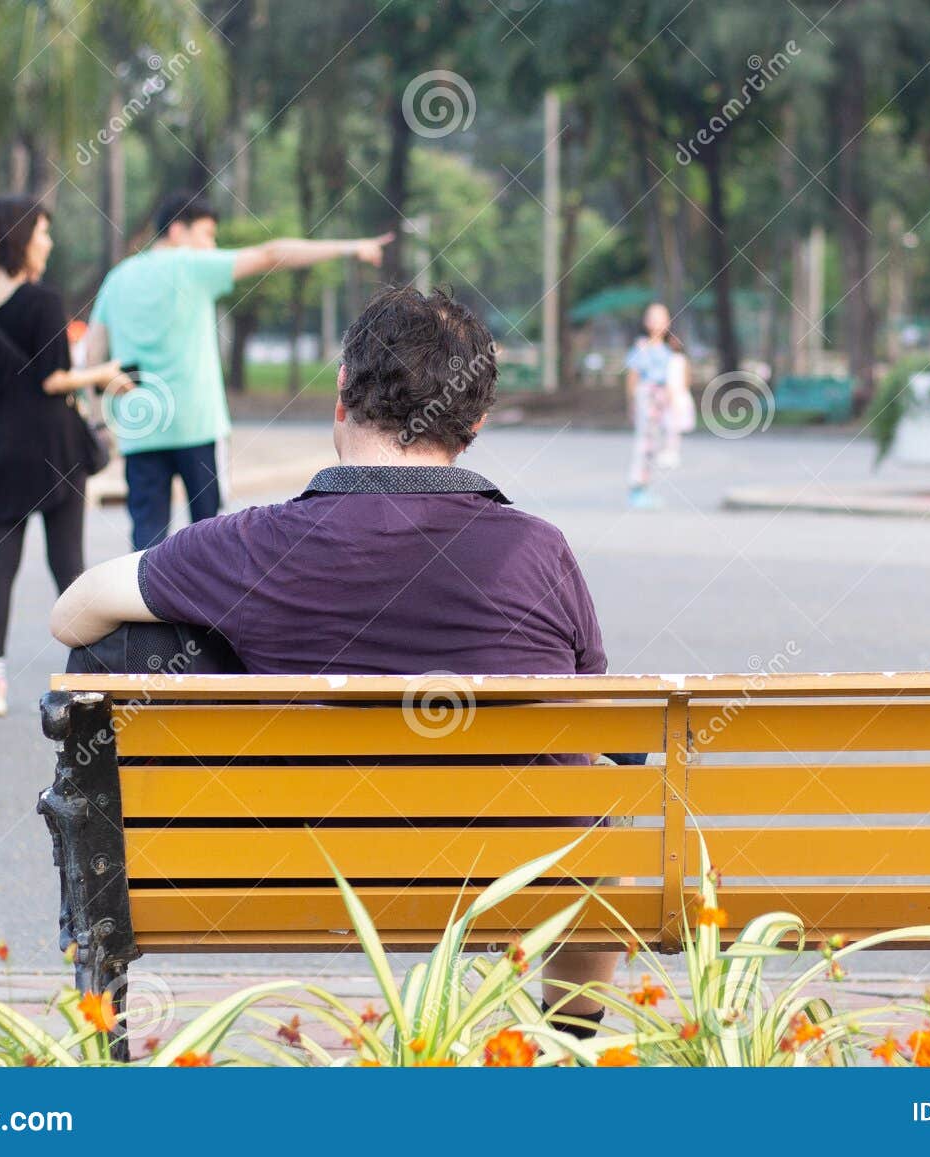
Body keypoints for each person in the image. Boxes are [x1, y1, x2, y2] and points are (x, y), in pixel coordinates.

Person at [51, 285, 619, 1035]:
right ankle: (568, 1045)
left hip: (296, 870)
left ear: (342, 396)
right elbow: (607, 722)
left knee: (125, 644)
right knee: (604, 809)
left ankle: (108, 1024)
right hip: (514, 873)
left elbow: (73, 612)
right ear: (476, 420)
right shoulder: (539, 550)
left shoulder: (248, 545)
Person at [84, 190, 393, 550]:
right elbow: (272, 254)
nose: (212, 245)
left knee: (146, 539)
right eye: (207, 234)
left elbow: (93, 355)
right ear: (177, 232)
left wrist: (99, 420)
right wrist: (350, 248)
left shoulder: (118, 277)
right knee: (210, 538)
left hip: (140, 430)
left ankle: (147, 604)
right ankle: (199, 607)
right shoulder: (192, 266)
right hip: (196, 426)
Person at [0, 195, 134, 718]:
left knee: (0, 565)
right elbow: (52, 378)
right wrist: (103, 375)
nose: (48, 243)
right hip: (53, 451)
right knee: (69, 566)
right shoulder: (43, 300)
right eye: (42, 234)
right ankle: (90, 679)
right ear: (19, 239)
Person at [623, 301, 687, 509]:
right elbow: (632, 377)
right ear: (646, 321)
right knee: (645, 442)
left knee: (657, 442)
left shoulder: (669, 349)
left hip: (663, 398)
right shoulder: (642, 347)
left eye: (661, 317)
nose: (657, 322)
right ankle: (637, 486)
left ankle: (645, 485)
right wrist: (632, 402)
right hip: (647, 396)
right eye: (653, 317)